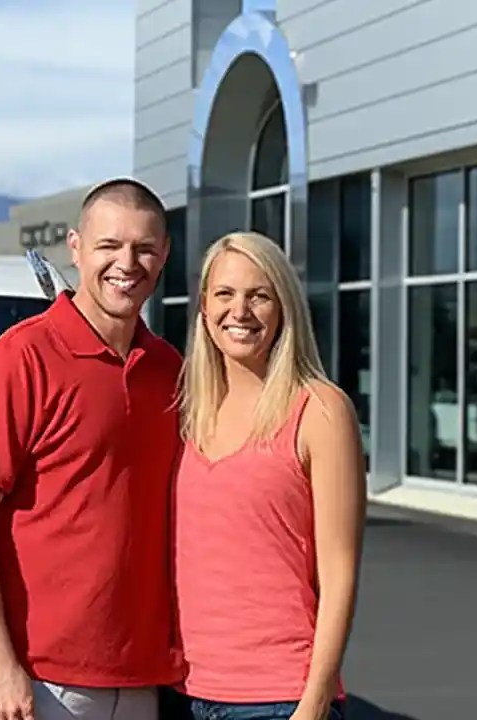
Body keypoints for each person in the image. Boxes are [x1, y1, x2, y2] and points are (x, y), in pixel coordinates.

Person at [0, 177, 183, 720]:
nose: (127, 263)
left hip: (144, 676)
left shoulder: (169, 369)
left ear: (165, 254)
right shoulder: (19, 360)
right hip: (41, 683)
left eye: (144, 248)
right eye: (109, 245)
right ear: (75, 247)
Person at [172, 231, 366, 720]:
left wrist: (314, 702)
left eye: (259, 295)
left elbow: (340, 572)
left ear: (283, 308)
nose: (240, 311)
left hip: (278, 698)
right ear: (204, 307)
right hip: (183, 691)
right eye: (225, 294)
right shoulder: (188, 411)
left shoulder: (320, 410)